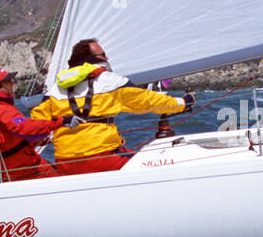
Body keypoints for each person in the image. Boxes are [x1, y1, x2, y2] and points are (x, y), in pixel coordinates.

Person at [31, 38, 194, 175]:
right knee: (153, 172)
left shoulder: (54, 90)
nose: (107, 58)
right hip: (104, 160)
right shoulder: (109, 81)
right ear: (90, 60)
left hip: (65, 164)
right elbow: (147, 100)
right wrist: (183, 102)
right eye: (103, 55)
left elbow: (36, 127)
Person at [0, 67, 63, 182]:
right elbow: (24, 128)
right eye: (7, 81)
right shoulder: (0, 108)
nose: (12, 83)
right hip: (17, 168)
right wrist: (60, 122)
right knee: (58, 179)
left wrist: (36, 141)